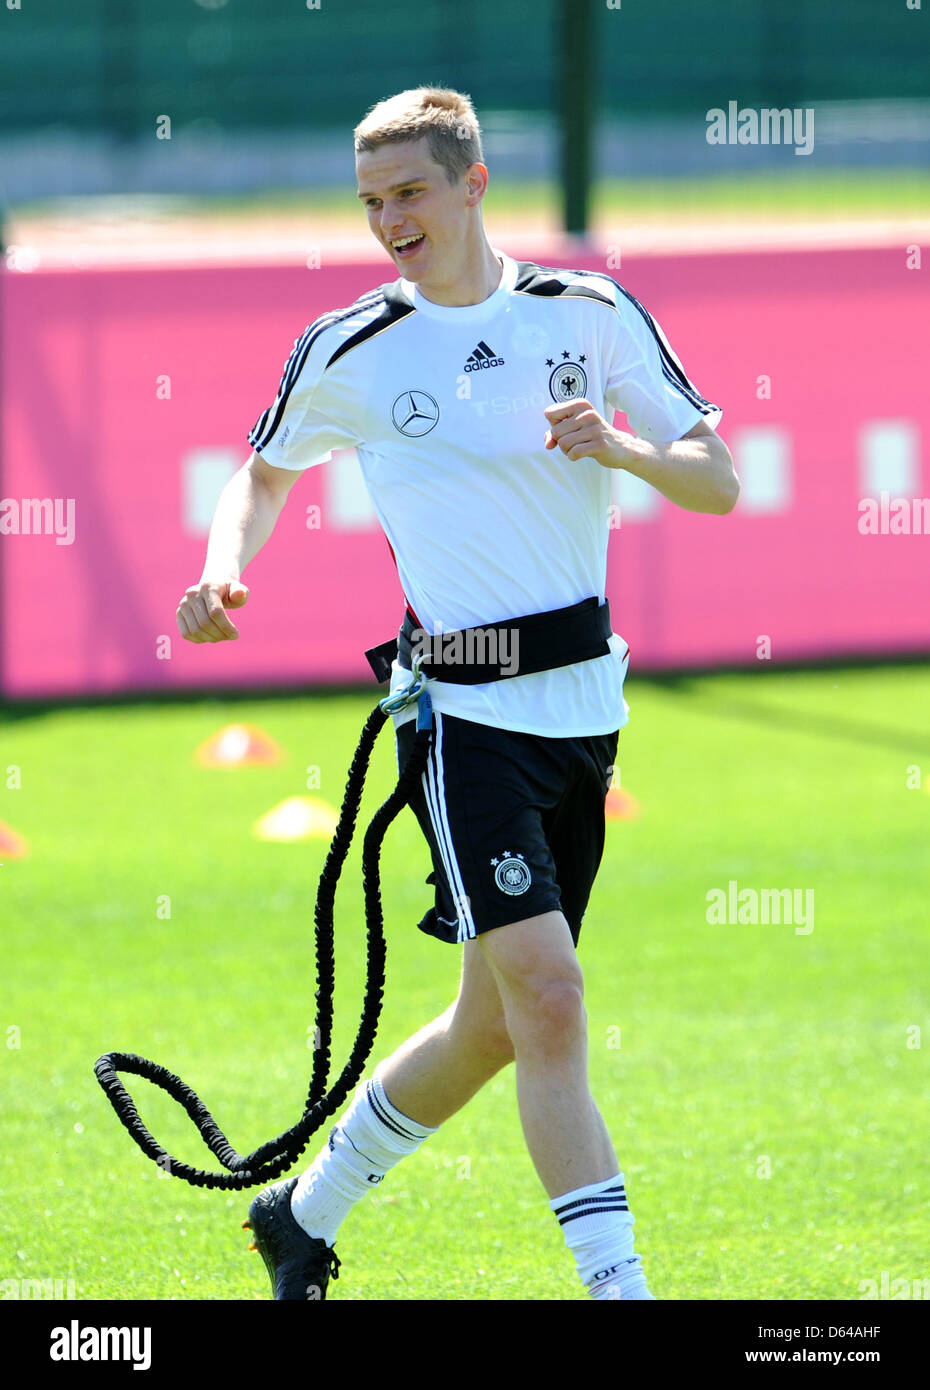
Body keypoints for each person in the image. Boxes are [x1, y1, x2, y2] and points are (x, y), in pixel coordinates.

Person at [177, 86, 739, 1302]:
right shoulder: (351, 344)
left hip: (588, 712)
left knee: (494, 1026)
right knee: (551, 995)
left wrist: (627, 450)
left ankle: (304, 1214)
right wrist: (225, 566)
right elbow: (261, 476)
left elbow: (718, 477)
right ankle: (619, 1288)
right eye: (372, 200)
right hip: (461, 712)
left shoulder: (588, 311)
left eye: (411, 193)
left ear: (474, 183)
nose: (389, 219)